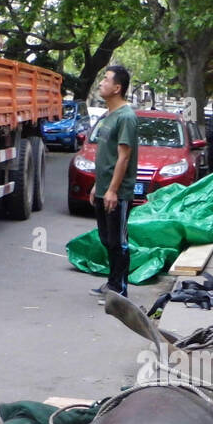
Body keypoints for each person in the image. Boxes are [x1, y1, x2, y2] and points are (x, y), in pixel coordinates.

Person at [89, 65, 138, 302]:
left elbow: (124, 157)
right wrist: (97, 186)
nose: (101, 83)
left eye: (106, 79)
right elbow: (106, 155)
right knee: (107, 239)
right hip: (103, 188)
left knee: (119, 241)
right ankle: (111, 282)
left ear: (117, 88)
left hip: (116, 192)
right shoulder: (109, 115)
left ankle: (120, 290)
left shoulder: (126, 117)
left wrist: (112, 190)